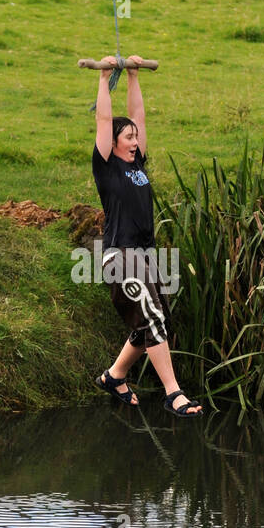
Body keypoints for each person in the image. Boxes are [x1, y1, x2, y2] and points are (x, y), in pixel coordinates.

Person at [91, 54, 202, 415]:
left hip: (144, 255)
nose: (135, 140)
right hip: (119, 256)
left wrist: (134, 76)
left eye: (135, 138)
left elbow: (137, 117)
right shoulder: (106, 166)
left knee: (157, 319)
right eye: (128, 137)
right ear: (113, 141)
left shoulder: (137, 163)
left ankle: (115, 375)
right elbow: (105, 119)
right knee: (152, 317)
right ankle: (173, 394)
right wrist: (106, 76)